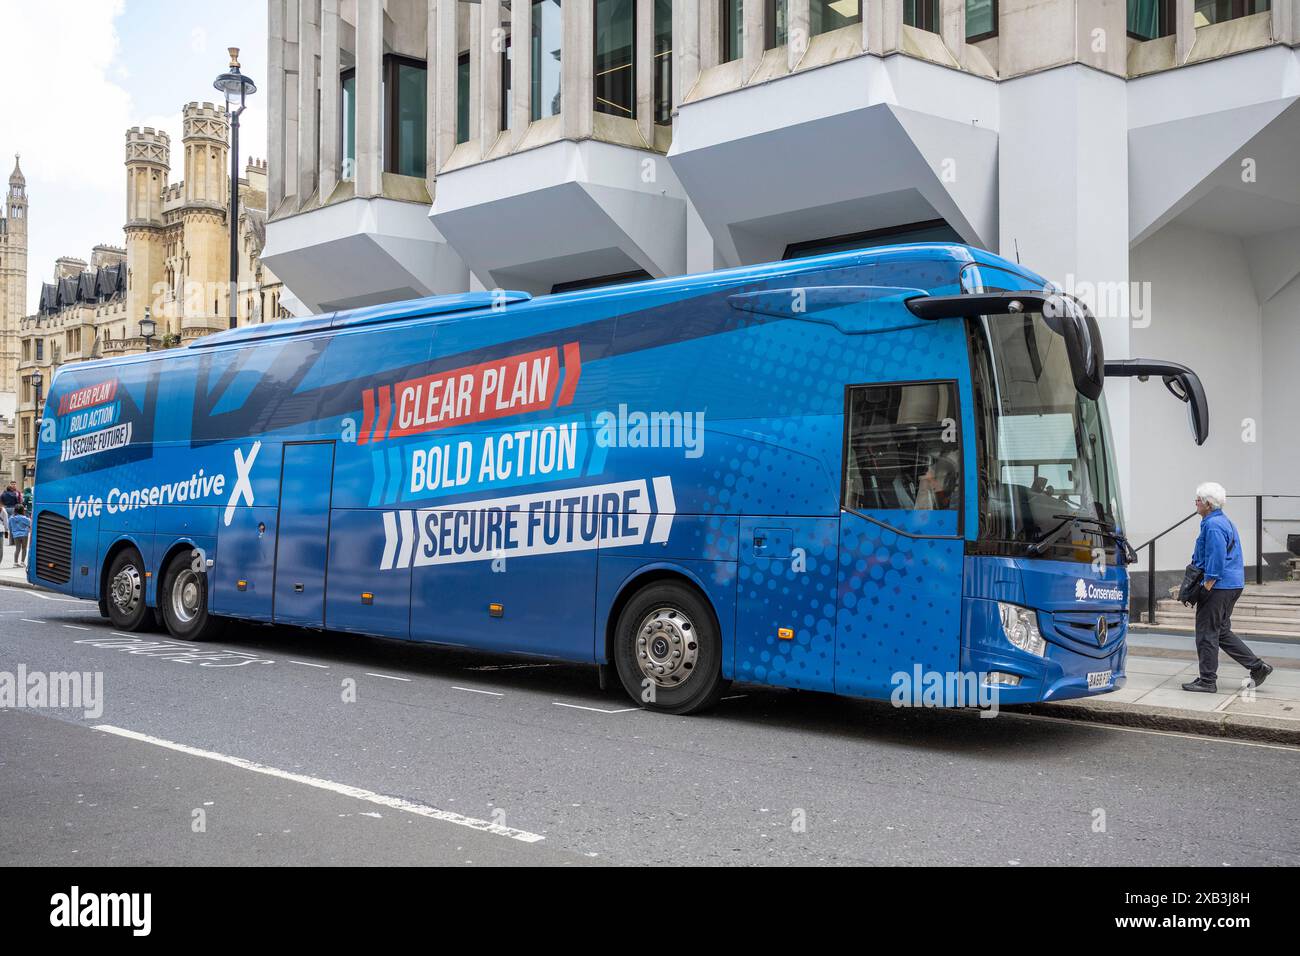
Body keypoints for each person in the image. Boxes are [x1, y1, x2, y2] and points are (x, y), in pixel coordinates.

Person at [1181, 482, 1273, 693]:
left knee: (1206, 633)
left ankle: (1207, 681)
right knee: (1221, 632)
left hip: (1219, 586)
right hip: (1232, 584)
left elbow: (1216, 556)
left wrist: (1207, 584)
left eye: (1198, 500)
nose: (1195, 503)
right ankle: (1257, 667)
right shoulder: (1222, 521)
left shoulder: (1213, 525)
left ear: (1208, 504)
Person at [8, 504, 30, 568]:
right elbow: (30, 524)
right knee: (24, 548)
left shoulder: (11, 518)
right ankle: (22, 562)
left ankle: (15, 562)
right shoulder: (25, 518)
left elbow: (10, 527)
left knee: (17, 548)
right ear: (22, 510)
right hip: (24, 534)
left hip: (15, 535)